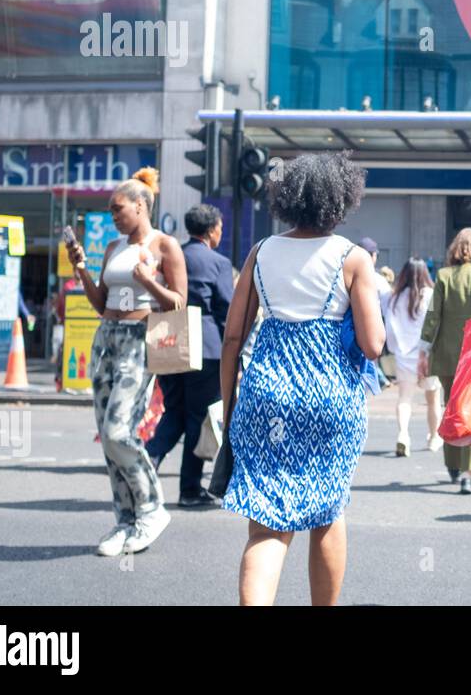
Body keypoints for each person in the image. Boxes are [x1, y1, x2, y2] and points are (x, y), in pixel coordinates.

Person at [221, 153, 385, 605]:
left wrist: (231, 406)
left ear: (287, 198)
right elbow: (373, 345)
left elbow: (233, 337)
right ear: (341, 199)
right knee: (327, 512)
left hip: (265, 394)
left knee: (267, 528)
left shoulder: (261, 252)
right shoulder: (351, 258)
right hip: (329, 397)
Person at [64, 167, 187, 556]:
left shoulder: (166, 245)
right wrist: (80, 267)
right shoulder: (114, 248)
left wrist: (149, 281)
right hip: (107, 340)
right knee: (106, 435)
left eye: (118, 209)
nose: (113, 215)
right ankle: (125, 519)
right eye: (111, 210)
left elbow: (179, 303)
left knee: (120, 431)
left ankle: (151, 507)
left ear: (140, 204)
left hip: (140, 340)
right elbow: (101, 303)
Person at [145, 204, 233, 507]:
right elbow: (227, 309)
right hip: (206, 347)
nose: (221, 232)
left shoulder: (173, 255)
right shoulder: (218, 263)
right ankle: (189, 489)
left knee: (176, 411)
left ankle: (148, 458)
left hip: (170, 341)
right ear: (211, 230)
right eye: (220, 227)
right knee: (197, 417)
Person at [418, 228, 471, 493]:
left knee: (452, 407)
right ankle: (468, 471)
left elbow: (432, 316)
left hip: (448, 355)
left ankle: (452, 464)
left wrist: (423, 349)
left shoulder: (443, 276)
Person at [385, 258, 437, 457]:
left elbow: (390, 327)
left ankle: (403, 435)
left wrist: (395, 348)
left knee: (404, 398)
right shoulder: (431, 296)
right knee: (432, 399)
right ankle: (433, 437)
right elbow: (434, 323)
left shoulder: (395, 298)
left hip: (404, 356)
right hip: (427, 355)